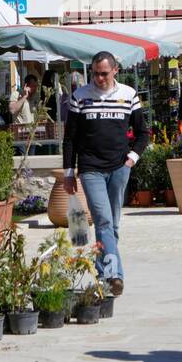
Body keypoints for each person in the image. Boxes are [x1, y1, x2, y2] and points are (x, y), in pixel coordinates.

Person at [62, 52, 147, 296]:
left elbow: (143, 132)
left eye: (104, 73)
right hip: (90, 169)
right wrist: (70, 172)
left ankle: (102, 270)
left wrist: (132, 158)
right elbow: (70, 139)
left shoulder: (128, 95)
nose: (99, 78)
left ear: (115, 71)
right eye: (95, 73)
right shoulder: (80, 97)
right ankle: (114, 275)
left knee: (113, 225)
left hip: (120, 168)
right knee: (103, 221)